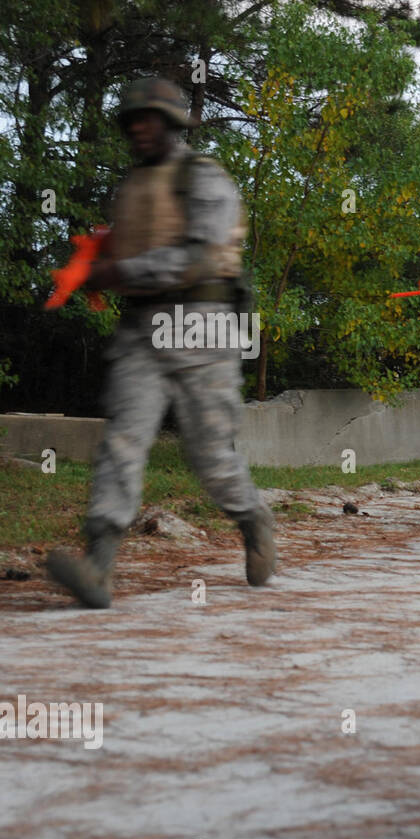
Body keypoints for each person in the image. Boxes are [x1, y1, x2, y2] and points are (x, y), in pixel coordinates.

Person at [45, 77, 275, 609]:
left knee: (210, 453)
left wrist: (115, 270)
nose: (139, 128)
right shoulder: (130, 186)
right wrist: (93, 265)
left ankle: (252, 519)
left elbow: (195, 257)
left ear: (173, 123)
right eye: (132, 121)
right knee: (122, 440)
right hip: (141, 329)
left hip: (203, 322)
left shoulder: (205, 178)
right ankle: (98, 564)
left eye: (149, 118)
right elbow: (119, 246)